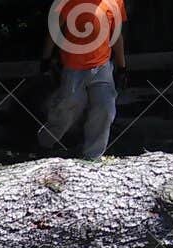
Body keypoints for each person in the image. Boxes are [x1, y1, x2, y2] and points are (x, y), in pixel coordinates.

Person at [38, 0, 128, 159]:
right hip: (73, 66)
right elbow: (55, 30)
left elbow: (117, 35)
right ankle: (45, 143)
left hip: (102, 66)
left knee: (105, 107)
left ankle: (92, 156)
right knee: (68, 106)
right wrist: (46, 58)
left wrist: (122, 68)